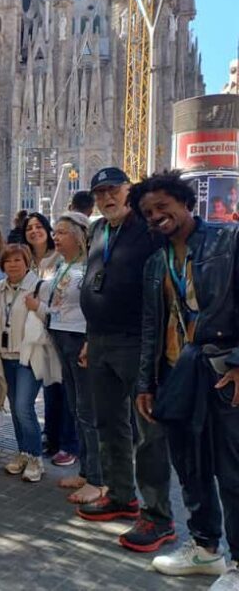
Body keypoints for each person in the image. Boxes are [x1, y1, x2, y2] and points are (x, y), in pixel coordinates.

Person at [131, 172, 239, 585]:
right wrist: (145, 383)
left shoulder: (228, 241)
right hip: (176, 375)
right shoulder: (156, 262)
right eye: (148, 213)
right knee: (190, 467)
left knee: (232, 471)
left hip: (222, 373)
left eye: (163, 206)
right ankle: (204, 548)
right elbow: (149, 327)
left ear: (184, 202)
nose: (157, 216)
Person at [78, 166, 173, 553]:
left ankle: (158, 516)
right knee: (108, 422)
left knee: (148, 432)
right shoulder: (99, 230)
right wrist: (89, 338)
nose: (106, 198)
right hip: (99, 342)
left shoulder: (148, 229)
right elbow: (95, 277)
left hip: (136, 342)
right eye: (99, 193)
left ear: (128, 190)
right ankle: (120, 494)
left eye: (113, 190)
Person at [41, 213, 105, 505]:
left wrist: (90, 340)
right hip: (61, 337)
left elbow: (98, 305)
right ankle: (86, 469)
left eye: (63, 232)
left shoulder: (92, 263)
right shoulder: (60, 264)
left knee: (88, 410)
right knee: (76, 407)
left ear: (79, 235)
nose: (56, 237)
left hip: (80, 340)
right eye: (55, 232)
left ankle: (98, 479)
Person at [24, 212, 77, 467]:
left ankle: (69, 443)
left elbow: (63, 303)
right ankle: (52, 437)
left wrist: (38, 307)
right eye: (29, 228)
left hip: (63, 333)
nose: (34, 231)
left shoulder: (63, 262)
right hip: (40, 337)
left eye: (39, 226)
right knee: (51, 389)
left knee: (67, 391)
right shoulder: (30, 260)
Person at [0, 244, 44, 482]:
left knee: (24, 408)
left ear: (27, 262)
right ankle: (23, 452)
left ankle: (35, 458)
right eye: (8, 261)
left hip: (28, 357)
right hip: (5, 357)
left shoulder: (39, 287)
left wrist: (38, 306)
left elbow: (54, 316)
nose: (12, 264)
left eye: (18, 260)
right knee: (16, 410)